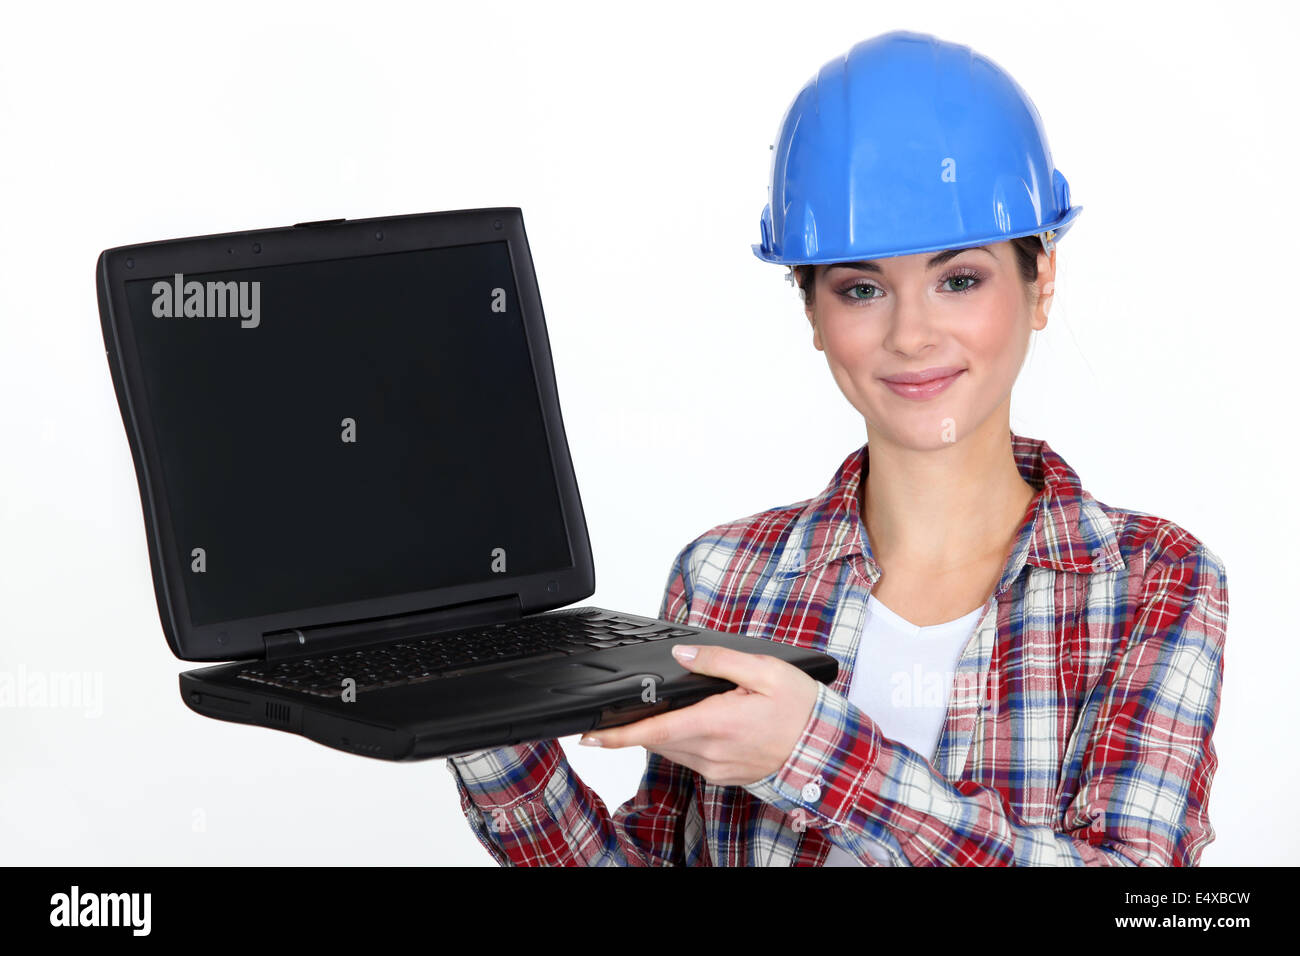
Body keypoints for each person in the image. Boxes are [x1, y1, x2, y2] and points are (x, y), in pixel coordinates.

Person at [444, 30, 1229, 866]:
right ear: (813, 313)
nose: (912, 335)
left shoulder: (1155, 581)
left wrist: (809, 753)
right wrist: (471, 697)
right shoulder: (724, 578)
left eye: (958, 278)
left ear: (1040, 284)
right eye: (861, 289)